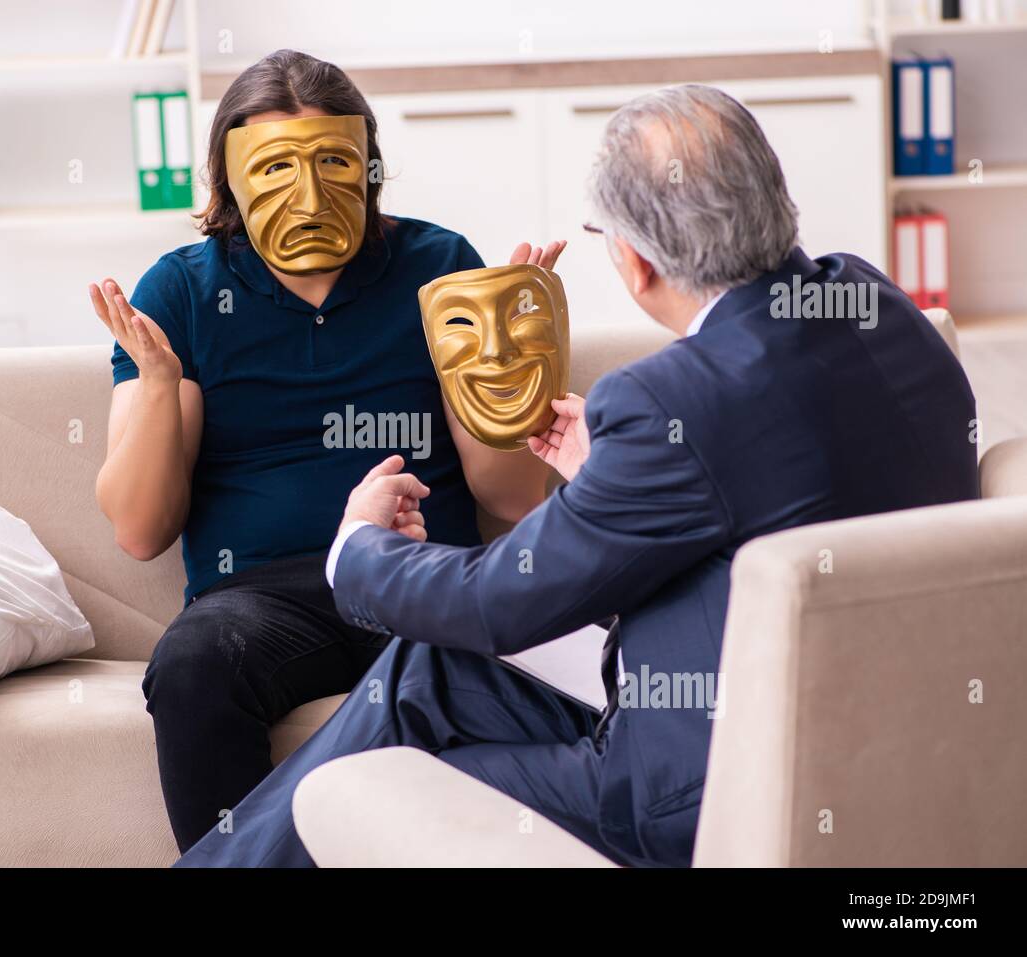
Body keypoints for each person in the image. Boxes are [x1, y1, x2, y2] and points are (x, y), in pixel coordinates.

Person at [175, 83, 979, 867]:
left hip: (700, 791)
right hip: (898, 746)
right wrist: (617, 467)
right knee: (429, 669)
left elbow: (495, 603)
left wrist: (355, 547)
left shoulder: (676, 401)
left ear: (633, 259)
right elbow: (777, 477)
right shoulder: (878, 304)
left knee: (374, 781)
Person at [90, 48, 561, 852]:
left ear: (369, 167)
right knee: (194, 663)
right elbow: (139, 529)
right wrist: (161, 384)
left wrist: (511, 363)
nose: (308, 199)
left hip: (417, 578)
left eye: (334, 164)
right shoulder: (182, 291)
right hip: (256, 600)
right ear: (228, 180)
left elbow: (514, 499)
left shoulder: (440, 266)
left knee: (472, 669)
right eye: (274, 170)